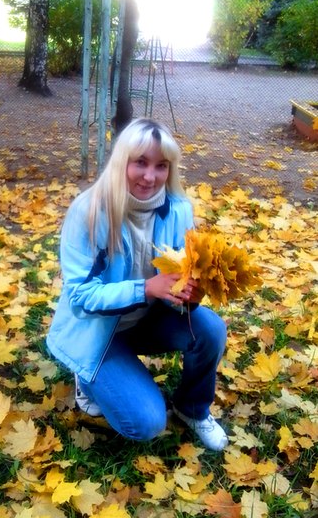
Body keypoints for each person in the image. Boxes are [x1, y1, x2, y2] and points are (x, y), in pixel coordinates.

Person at [46, 117, 228, 451]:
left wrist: (189, 294)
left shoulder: (178, 210)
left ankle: (192, 408)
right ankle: (88, 375)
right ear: (122, 162)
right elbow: (80, 296)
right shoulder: (89, 211)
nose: (150, 176)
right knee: (146, 422)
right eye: (140, 162)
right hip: (96, 331)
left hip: (149, 318)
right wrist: (146, 288)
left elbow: (178, 277)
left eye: (161, 166)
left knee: (211, 330)